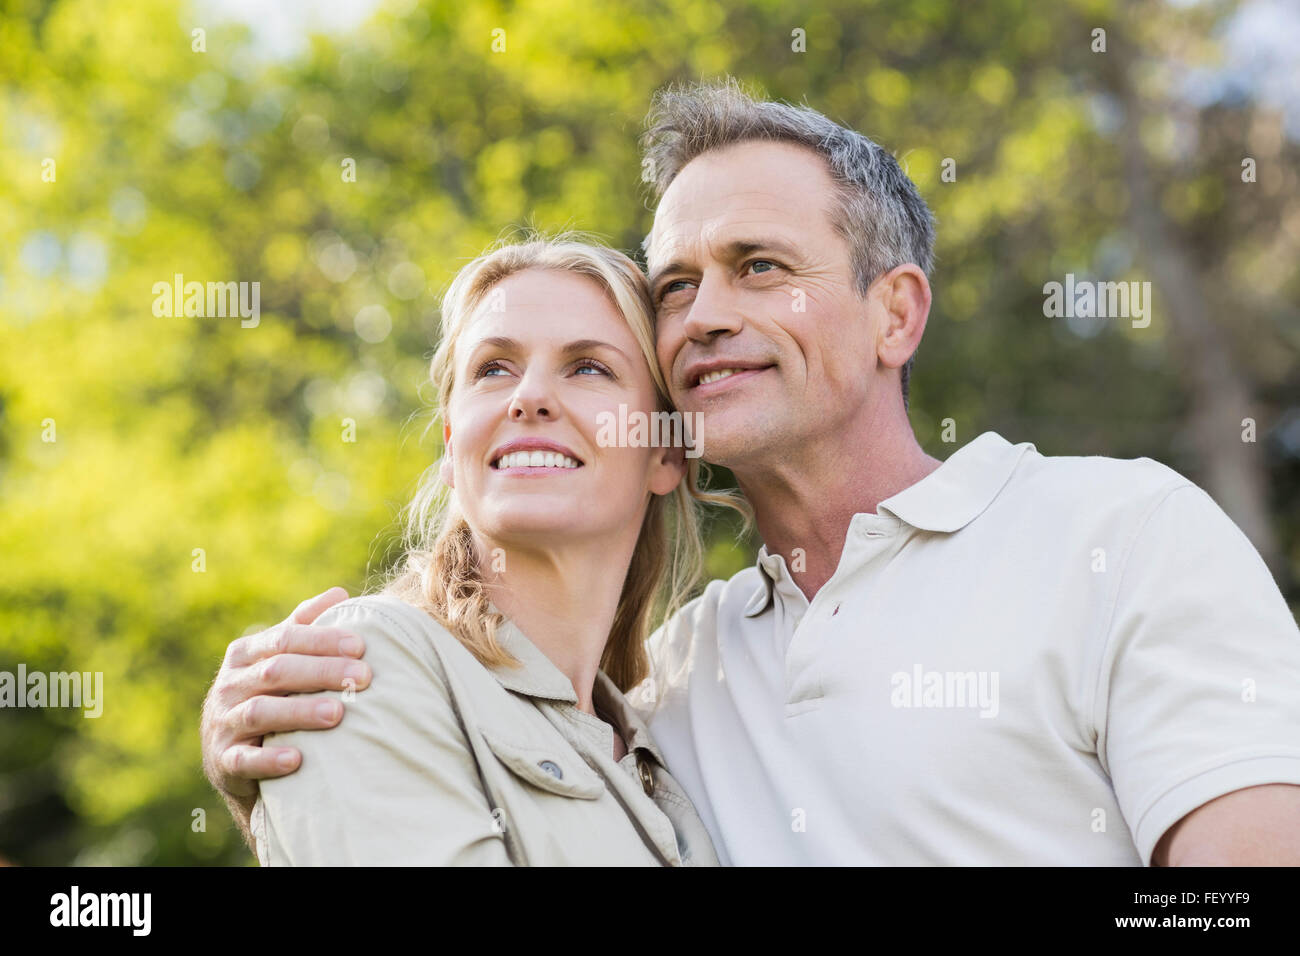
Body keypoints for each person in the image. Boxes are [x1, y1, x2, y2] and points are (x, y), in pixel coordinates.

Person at [203, 79, 1300, 866]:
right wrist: (257, 762)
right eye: (674, 285)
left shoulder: (1118, 531)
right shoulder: (670, 686)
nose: (708, 314)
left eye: (758, 267)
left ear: (894, 311)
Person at [241, 234, 735, 865]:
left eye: (588, 367)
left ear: (664, 450)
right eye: (493, 369)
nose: (528, 397)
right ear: (451, 445)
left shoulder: (659, 751)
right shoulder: (365, 664)